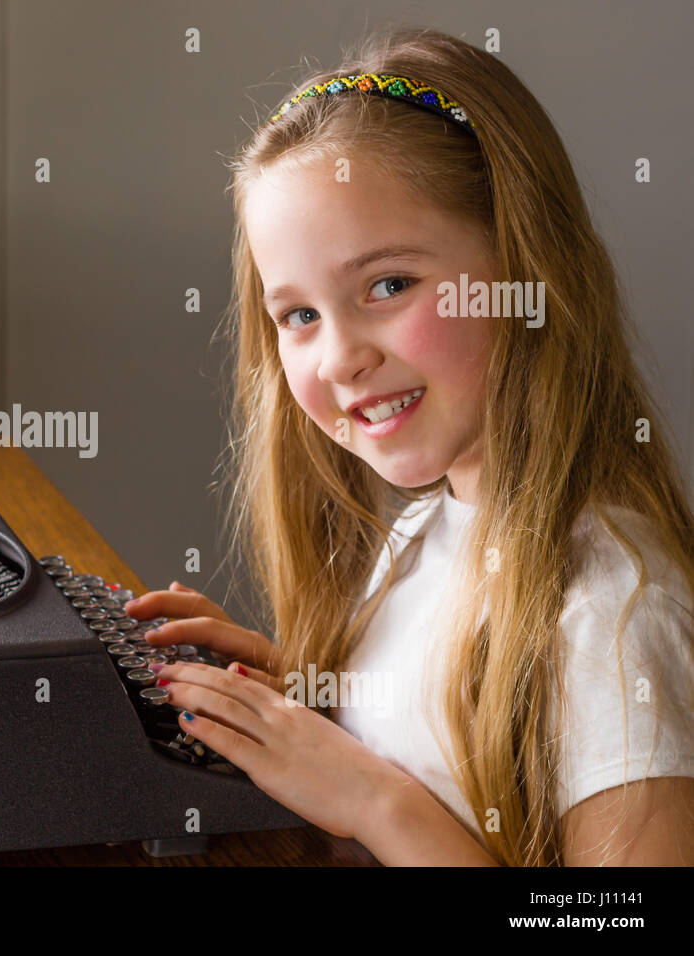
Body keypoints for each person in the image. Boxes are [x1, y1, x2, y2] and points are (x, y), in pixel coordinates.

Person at [125, 26, 694, 866]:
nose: (341, 356)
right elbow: (454, 769)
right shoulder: (423, 536)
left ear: (525, 268)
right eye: (300, 316)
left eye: (388, 285)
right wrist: (306, 710)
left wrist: (372, 799)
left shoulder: (613, 620)